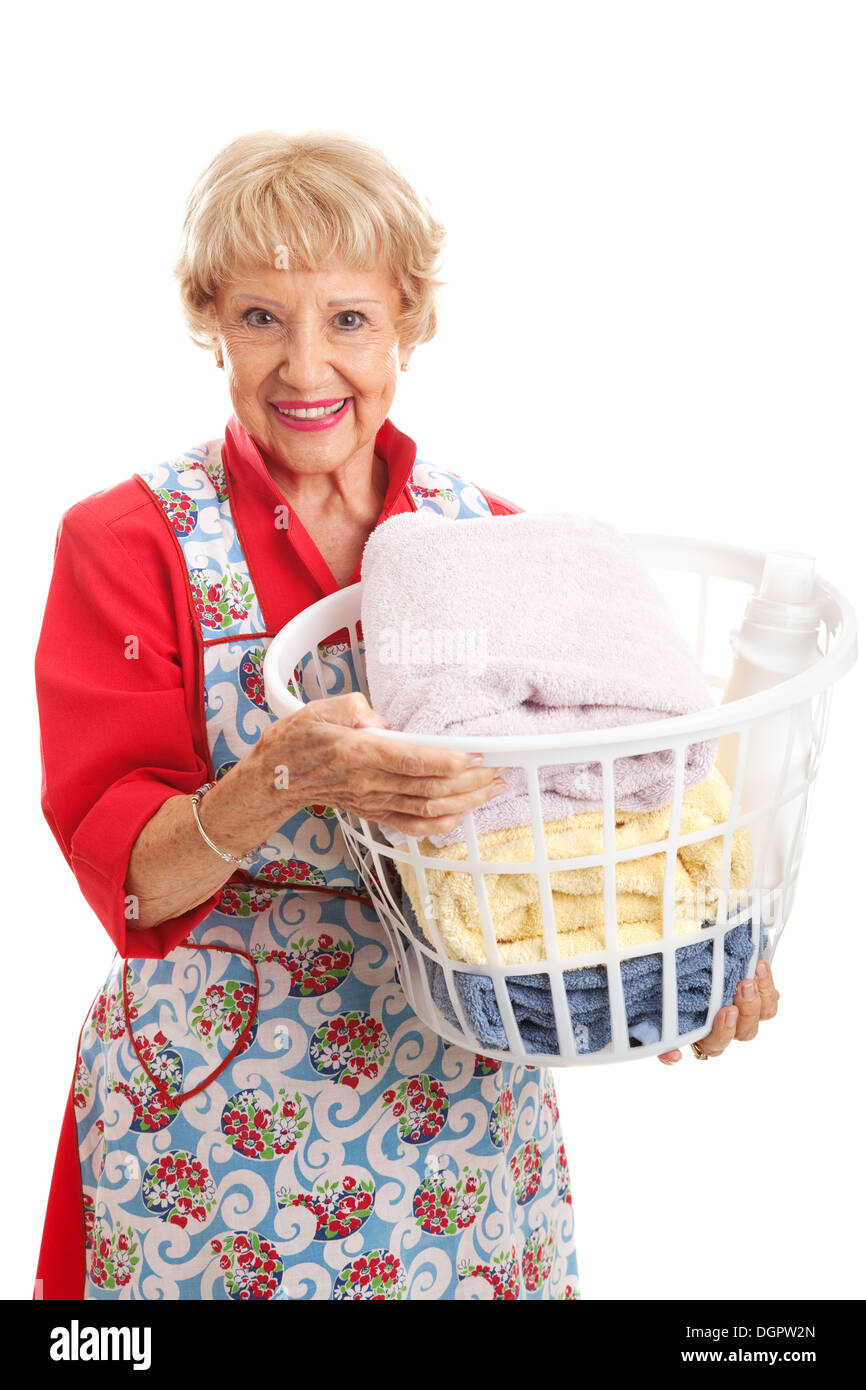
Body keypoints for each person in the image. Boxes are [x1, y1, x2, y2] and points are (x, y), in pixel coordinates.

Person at [33, 128, 779, 1302]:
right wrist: (281, 776)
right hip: (215, 1128)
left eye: (347, 319)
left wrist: (693, 969)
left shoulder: (493, 539)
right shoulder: (127, 545)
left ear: (406, 325)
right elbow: (128, 880)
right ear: (209, 323)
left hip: (459, 1123)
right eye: (260, 318)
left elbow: (608, 817)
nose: (303, 367)